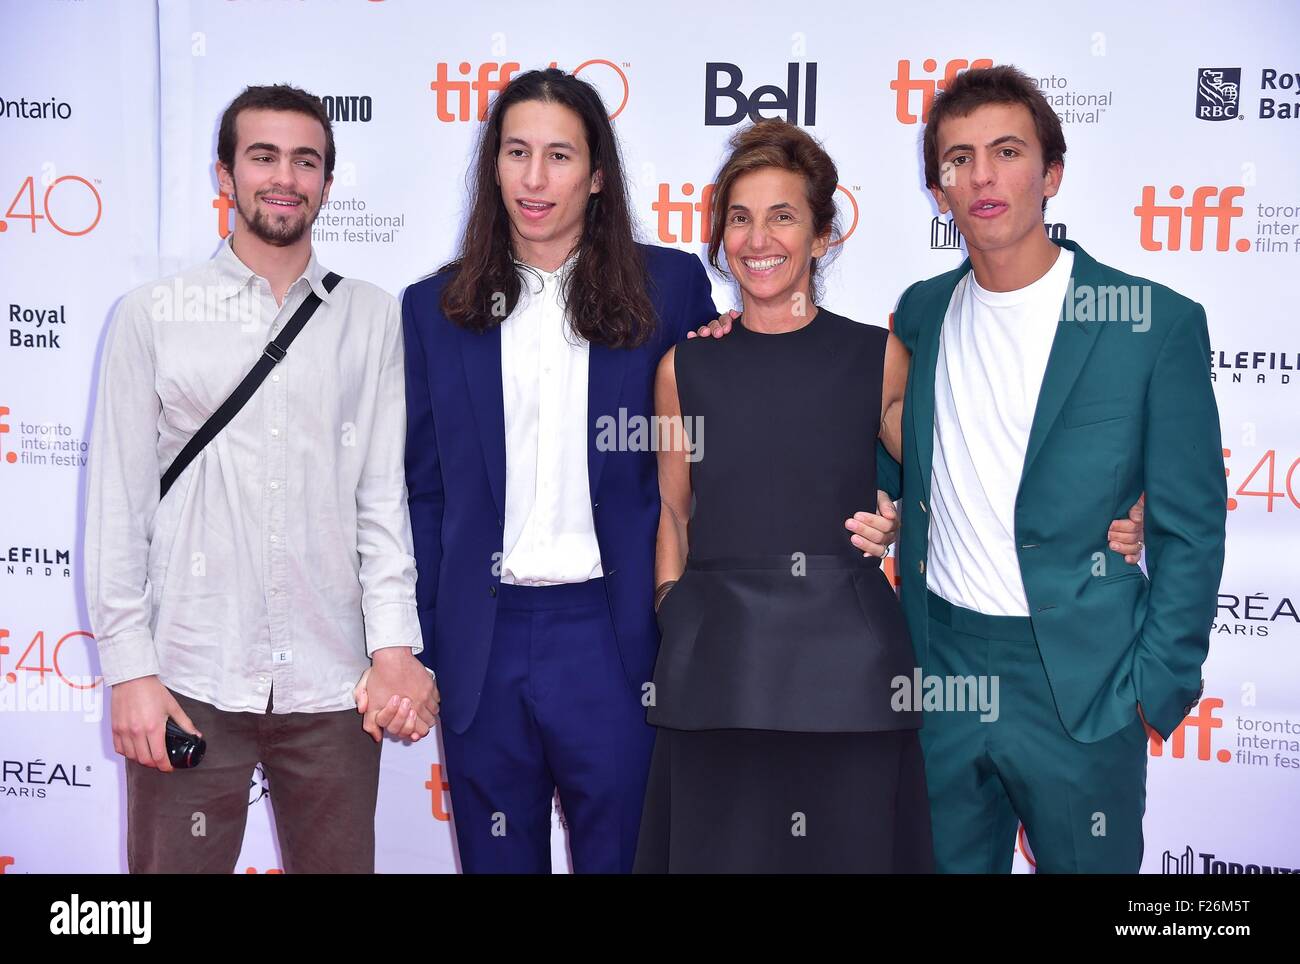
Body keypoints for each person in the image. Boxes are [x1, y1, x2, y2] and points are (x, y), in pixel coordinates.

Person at [393, 69, 901, 874]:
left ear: (596, 176)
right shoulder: (434, 308)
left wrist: (876, 490)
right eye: (517, 152)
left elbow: (758, 414)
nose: (534, 178)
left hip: (615, 636)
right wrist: (413, 642)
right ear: (493, 166)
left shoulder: (666, 287)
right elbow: (422, 491)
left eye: (559, 156)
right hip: (481, 645)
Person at [85, 84, 437, 874]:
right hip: (190, 677)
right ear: (225, 175)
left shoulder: (372, 317)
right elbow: (118, 508)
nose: (285, 176)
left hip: (332, 687)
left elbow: (381, 500)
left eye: (305, 160)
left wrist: (393, 646)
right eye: (264, 156)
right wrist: (131, 672)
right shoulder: (153, 315)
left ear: (327, 183)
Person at [886, 65, 1226, 873]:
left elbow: (1192, 524)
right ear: (940, 187)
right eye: (959, 159)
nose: (982, 176)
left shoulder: (1151, 322)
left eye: (1006, 152)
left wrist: (1155, 682)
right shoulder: (922, 310)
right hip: (944, 672)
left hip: (1083, 681)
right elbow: (888, 448)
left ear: (1052, 173)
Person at [634, 119, 933, 873]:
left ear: (823, 235)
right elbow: (674, 510)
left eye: (783, 215)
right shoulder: (685, 367)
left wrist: (897, 518)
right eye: (739, 217)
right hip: (716, 670)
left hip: (852, 676)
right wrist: (674, 604)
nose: (757, 237)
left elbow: (955, 477)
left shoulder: (878, 356)